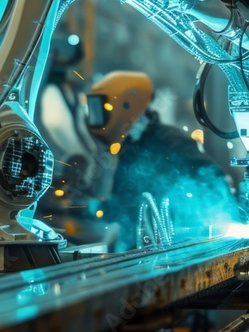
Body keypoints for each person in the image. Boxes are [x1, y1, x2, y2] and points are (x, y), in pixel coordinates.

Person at [86, 71, 237, 251]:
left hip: (176, 252)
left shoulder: (170, 141)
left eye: (100, 110)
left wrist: (230, 213)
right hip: (138, 251)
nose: (96, 119)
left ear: (126, 105)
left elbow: (213, 179)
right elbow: (124, 203)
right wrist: (106, 209)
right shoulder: (129, 149)